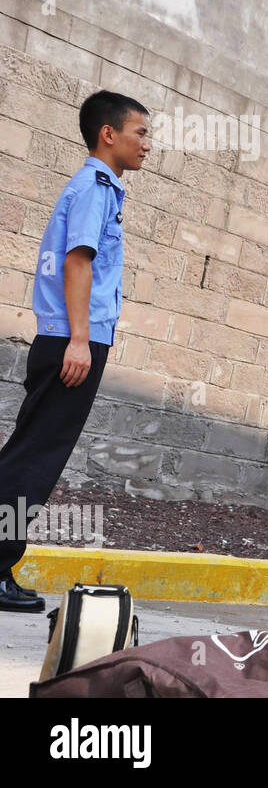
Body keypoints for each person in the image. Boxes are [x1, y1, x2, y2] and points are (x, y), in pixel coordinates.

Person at [0, 90, 149, 612]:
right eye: (140, 133)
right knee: (34, 460)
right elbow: (78, 263)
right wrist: (81, 341)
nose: (146, 145)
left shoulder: (97, 187)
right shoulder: (96, 187)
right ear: (108, 134)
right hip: (73, 341)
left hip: (66, 336)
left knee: (28, 452)